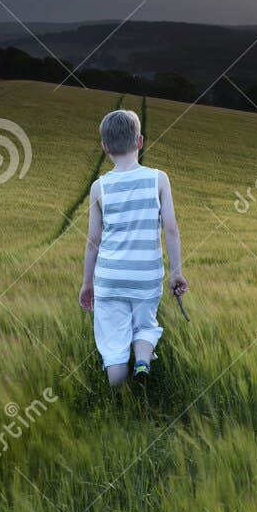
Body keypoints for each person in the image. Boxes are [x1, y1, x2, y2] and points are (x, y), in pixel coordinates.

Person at [79, 109, 187, 386]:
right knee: (145, 325)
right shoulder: (158, 179)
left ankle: (119, 395)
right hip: (146, 275)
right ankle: (142, 361)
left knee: (113, 344)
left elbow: (93, 241)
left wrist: (87, 283)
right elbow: (171, 229)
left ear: (105, 148)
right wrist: (176, 272)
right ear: (140, 141)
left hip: (110, 276)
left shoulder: (99, 187)